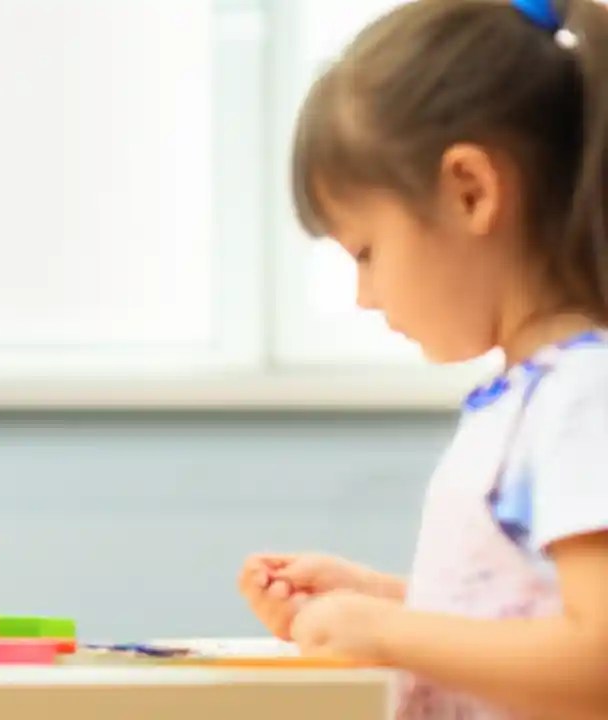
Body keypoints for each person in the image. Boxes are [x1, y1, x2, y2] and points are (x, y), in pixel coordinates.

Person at [238, 0, 608, 717]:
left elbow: (598, 659)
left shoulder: (582, 399)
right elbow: (531, 625)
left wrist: (388, 630)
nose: (364, 296)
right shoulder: (533, 397)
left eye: (367, 252)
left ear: (471, 191)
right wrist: (381, 602)